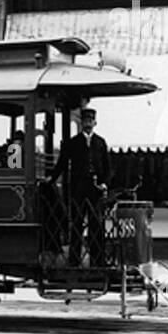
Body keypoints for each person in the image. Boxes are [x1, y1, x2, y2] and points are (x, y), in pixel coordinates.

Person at [49, 106, 111, 267]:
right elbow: (62, 163)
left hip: (95, 188)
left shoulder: (100, 142)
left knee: (96, 223)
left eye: (90, 121)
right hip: (78, 188)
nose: (88, 124)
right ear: (81, 123)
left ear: (95, 123)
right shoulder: (73, 143)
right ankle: (74, 260)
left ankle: (97, 261)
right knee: (76, 223)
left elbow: (108, 167)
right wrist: (51, 179)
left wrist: (104, 183)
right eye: (85, 121)